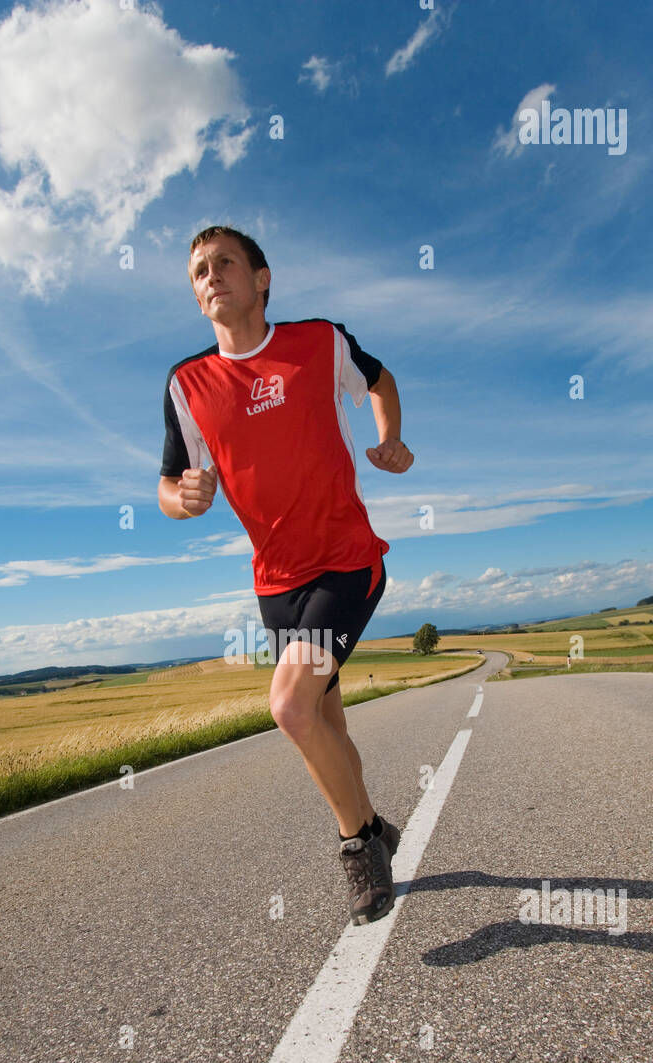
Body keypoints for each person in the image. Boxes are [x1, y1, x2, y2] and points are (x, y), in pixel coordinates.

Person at [158, 226, 414, 924]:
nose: (212, 278)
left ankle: (358, 846)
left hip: (346, 559)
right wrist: (181, 499)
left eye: (225, 265)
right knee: (324, 719)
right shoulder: (188, 384)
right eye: (199, 273)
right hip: (275, 583)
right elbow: (168, 483)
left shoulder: (317, 341)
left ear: (261, 278)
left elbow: (380, 380)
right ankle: (378, 827)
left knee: (290, 707)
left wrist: (389, 437)